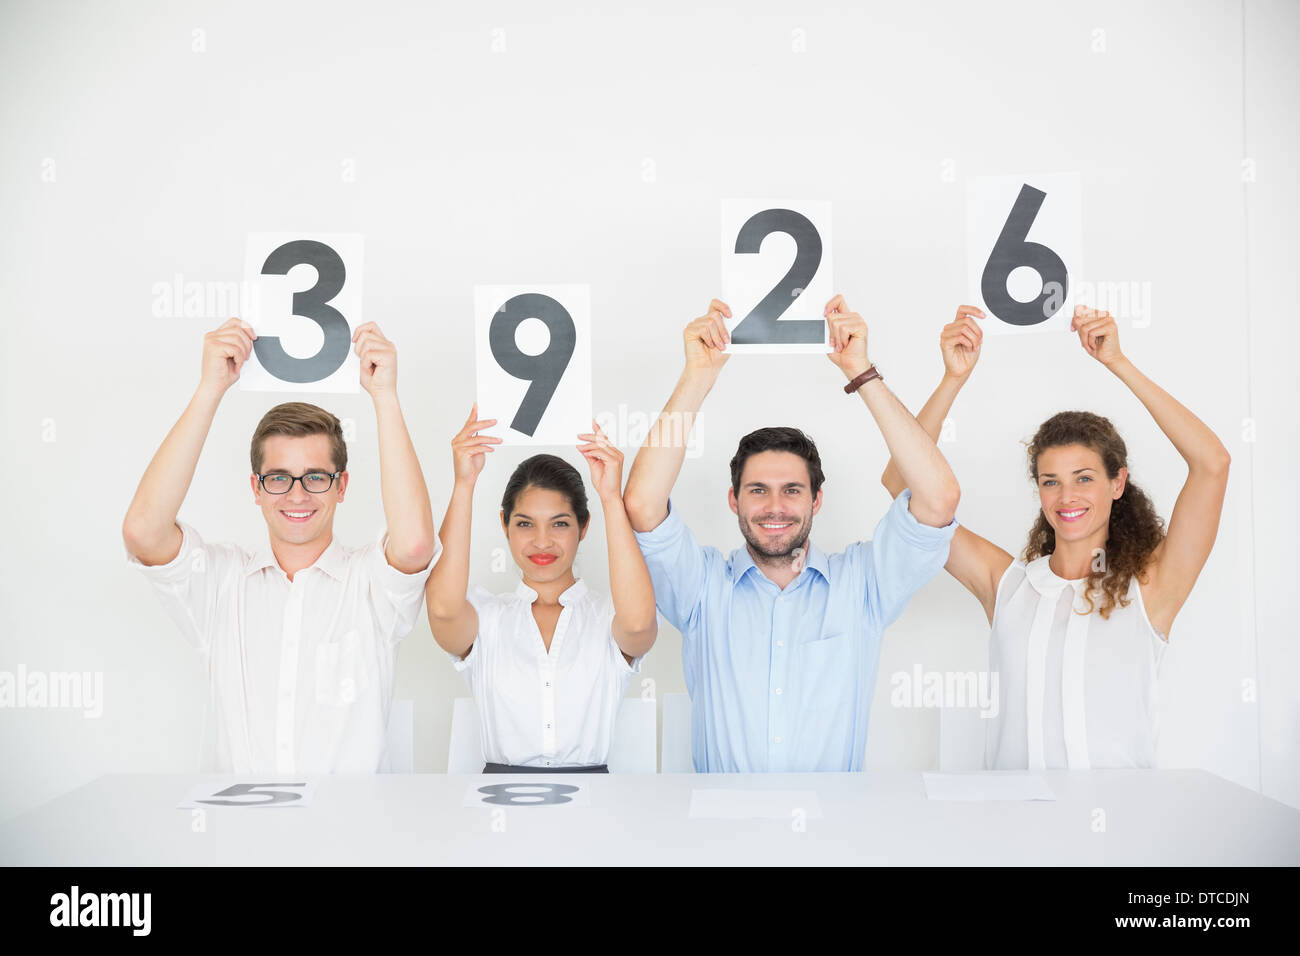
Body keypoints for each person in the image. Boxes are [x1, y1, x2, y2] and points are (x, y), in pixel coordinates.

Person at [880, 305, 1230, 769]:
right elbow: (902, 484)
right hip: (1016, 832)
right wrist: (952, 380)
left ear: (1118, 483)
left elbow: (1213, 464)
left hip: (1120, 832)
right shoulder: (1008, 584)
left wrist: (1118, 363)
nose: (1067, 496)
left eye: (1084, 478)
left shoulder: (1151, 590)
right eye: (1050, 481)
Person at [623, 295, 960, 773]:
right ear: (733, 501)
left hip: (832, 841)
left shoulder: (864, 584)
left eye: (792, 491)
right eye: (758, 490)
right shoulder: (702, 588)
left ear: (816, 501)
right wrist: (698, 375)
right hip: (724, 840)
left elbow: (939, 497)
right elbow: (641, 502)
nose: (775, 507)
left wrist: (861, 372)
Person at [122, 318, 438, 774]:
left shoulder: (368, 585)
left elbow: (413, 545)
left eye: (315, 476)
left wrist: (385, 398)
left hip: (348, 837)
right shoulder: (223, 584)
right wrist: (210, 389)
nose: (296, 494)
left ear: (341, 485)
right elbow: (143, 532)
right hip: (244, 837)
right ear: (256, 487)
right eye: (278, 478)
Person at [426, 408, 656, 772]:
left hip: (591, 807)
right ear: (505, 525)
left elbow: (641, 626)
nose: (542, 541)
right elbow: (441, 610)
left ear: (584, 527)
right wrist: (464, 484)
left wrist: (611, 498)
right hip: (499, 805)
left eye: (560, 524)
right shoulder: (487, 617)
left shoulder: (608, 618)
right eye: (525, 523)